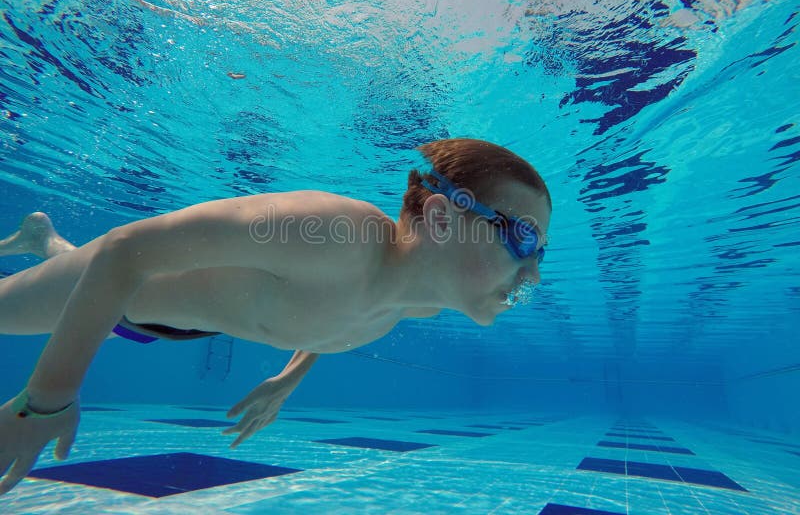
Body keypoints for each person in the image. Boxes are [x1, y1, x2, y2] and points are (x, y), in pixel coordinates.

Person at [0, 138, 551, 495]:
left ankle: (43, 238)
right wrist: (48, 397)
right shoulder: (331, 233)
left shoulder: (419, 300)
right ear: (441, 219)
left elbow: (335, 318)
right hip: (114, 292)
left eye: (540, 251)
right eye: (523, 238)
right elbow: (124, 252)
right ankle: (46, 242)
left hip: (176, 322)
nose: (533, 274)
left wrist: (286, 381)